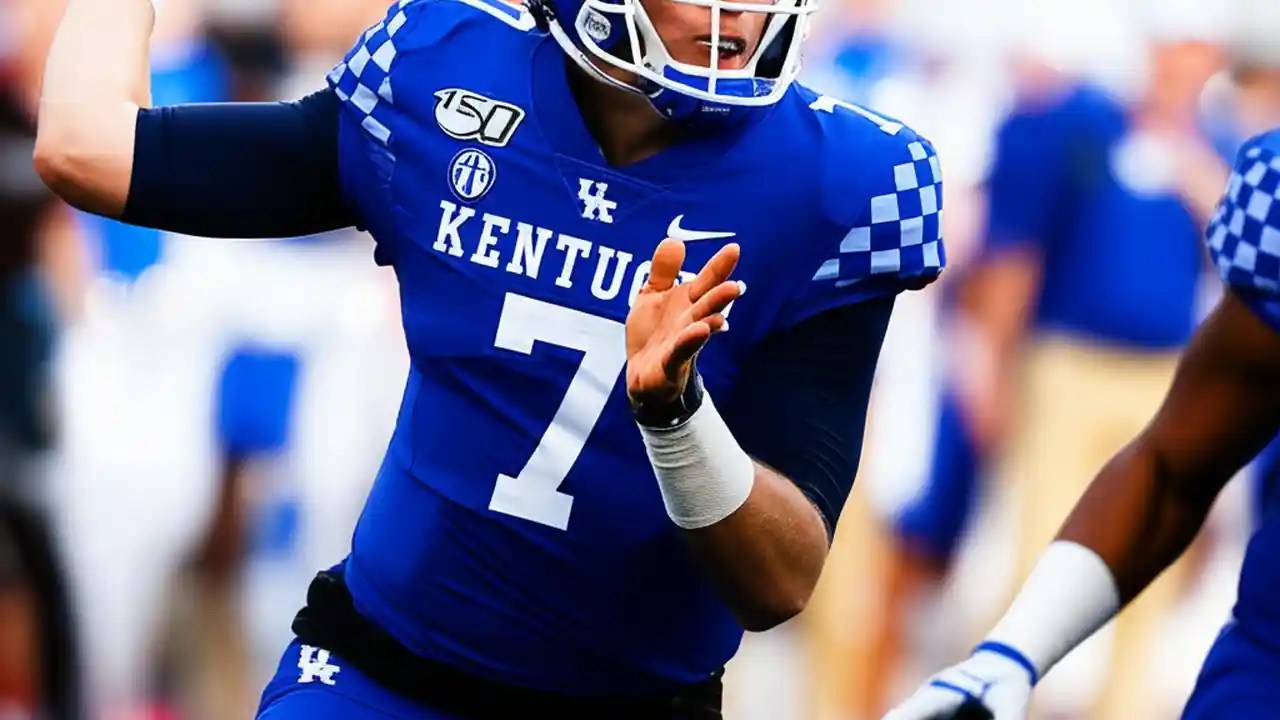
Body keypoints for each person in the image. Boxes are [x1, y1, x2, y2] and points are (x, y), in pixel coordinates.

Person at [35, 0, 946, 717]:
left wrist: (676, 416)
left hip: (634, 706)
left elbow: (780, 581)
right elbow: (86, 146)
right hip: (378, 678)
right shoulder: (441, 70)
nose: (737, 14)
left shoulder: (842, 182)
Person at [882, 24, 1280, 720]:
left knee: (1151, 610)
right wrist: (992, 363)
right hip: (1074, 362)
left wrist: (1190, 161)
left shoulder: (1215, 145)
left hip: (1159, 361)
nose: (1183, 63)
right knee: (1041, 538)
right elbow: (1169, 468)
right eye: (1173, 45)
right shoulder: (1082, 125)